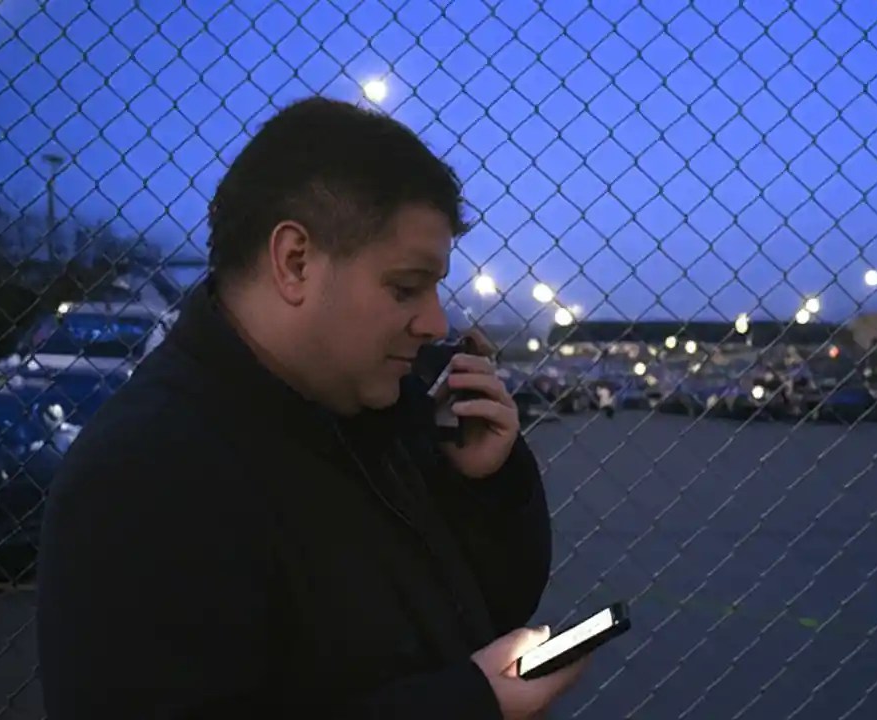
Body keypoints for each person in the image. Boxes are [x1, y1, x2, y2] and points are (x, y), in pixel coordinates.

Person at [36, 96, 587, 719]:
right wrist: (467, 703)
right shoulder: (143, 476)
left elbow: (489, 609)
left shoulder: (377, 414)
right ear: (295, 262)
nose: (436, 323)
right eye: (406, 287)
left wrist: (483, 487)